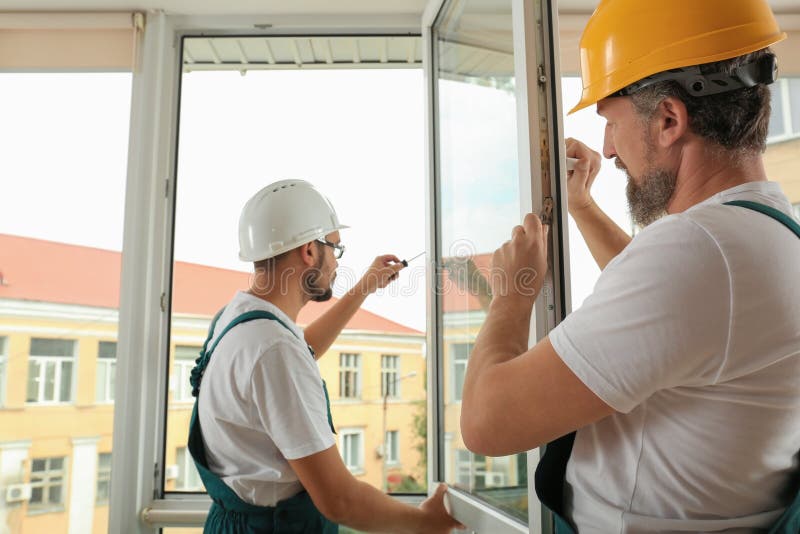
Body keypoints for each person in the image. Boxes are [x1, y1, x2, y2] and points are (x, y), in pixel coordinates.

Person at [459, 0, 800, 532]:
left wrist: (512, 293)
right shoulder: (767, 231)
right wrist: (584, 208)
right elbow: (672, 326)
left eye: (611, 122)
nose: (608, 150)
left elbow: (486, 423)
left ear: (669, 119)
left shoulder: (698, 254)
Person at [188, 179, 462, 533]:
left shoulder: (237, 318)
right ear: (308, 251)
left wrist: (365, 286)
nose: (335, 261)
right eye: (335, 248)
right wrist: (426, 522)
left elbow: (301, 347)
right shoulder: (274, 350)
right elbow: (339, 500)